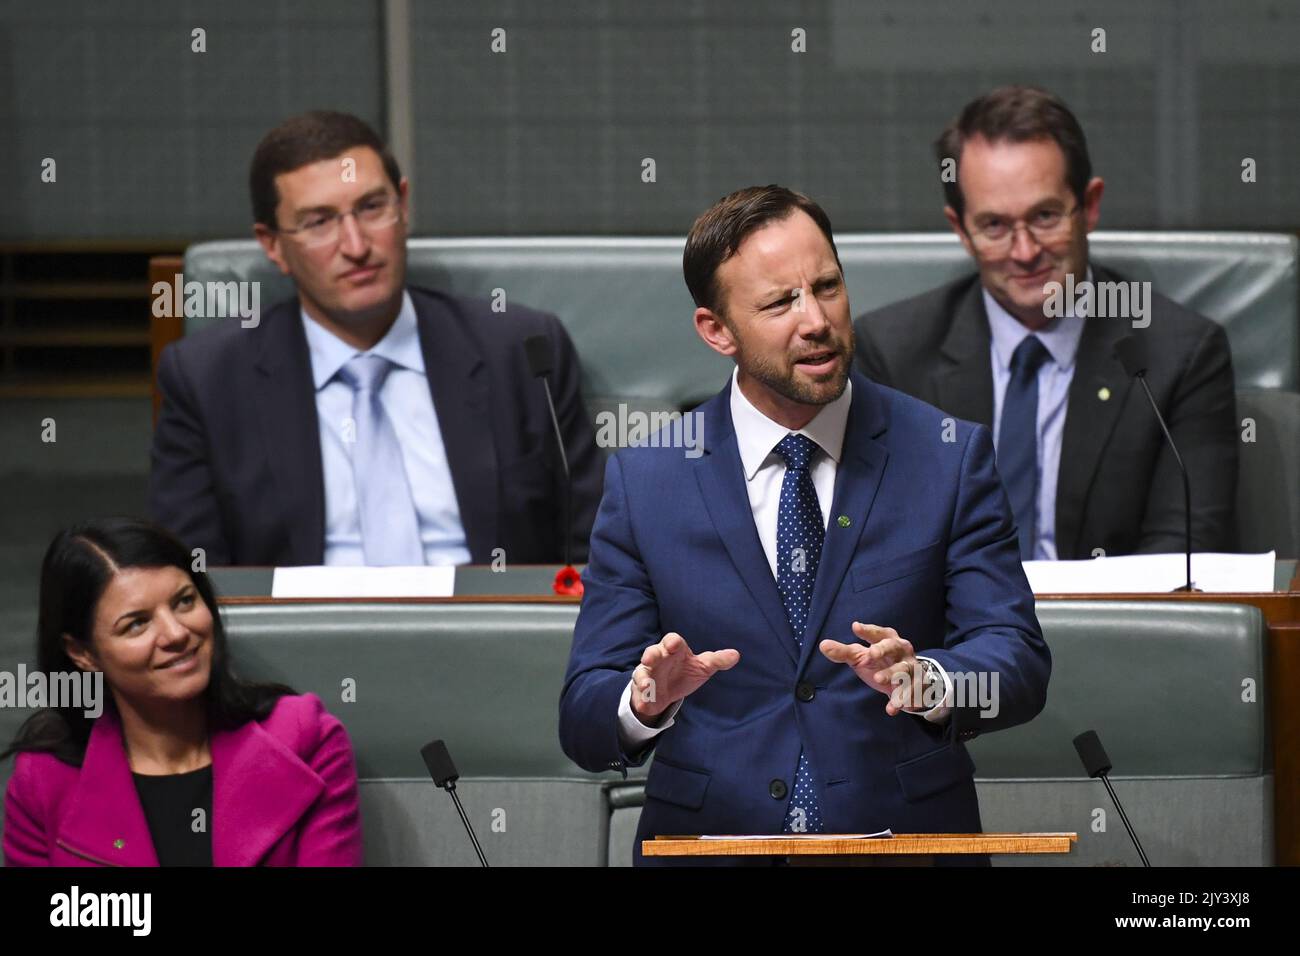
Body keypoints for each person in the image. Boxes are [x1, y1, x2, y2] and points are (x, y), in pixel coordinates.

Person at [559, 185, 1051, 865]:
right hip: (713, 849)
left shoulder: (946, 455)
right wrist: (642, 703)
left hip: (904, 847)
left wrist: (930, 681)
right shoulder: (648, 482)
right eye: (779, 303)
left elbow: (1017, 662)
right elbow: (583, 718)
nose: (816, 319)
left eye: (827, 286)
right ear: (717, 330)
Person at [150, 110, 603, 567]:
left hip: (486, 621)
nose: (355, 245)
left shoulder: (521, 350)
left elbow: (593, 547)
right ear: (272, 245)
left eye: (371, 208)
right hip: (300, 630)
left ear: (402, 206)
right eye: (318, 222)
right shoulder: (207, 381)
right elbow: (191, 577)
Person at [855, 86, 1238, 560]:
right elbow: (876, 545)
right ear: (961, 230)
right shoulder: (892, 355)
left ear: (1090, 206)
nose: (1024, 251)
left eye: (1045, 216)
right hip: (953, 631)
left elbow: (1184, 557)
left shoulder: (1179, 354)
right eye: (994, 225)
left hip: (1119, 627)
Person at [2, 516, 362, 866]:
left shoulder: (306, 739)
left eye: (184, 602)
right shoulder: (43, 782)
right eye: (137, 624)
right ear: (83, 654)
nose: (176, 633)